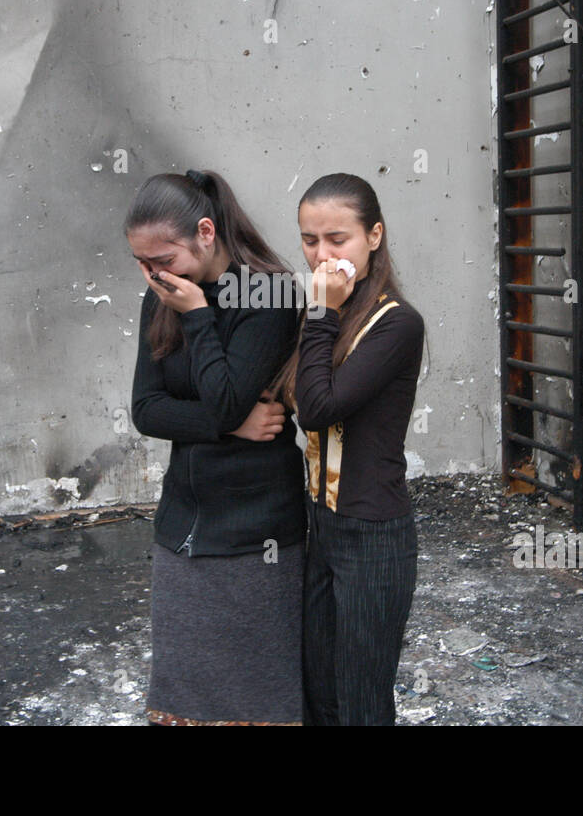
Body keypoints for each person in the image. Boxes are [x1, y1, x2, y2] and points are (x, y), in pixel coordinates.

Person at [126, 169, 307, 726]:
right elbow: (146, 410)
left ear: (206, 232)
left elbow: (224, 397)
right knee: (184, 696)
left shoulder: (268, 295)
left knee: (260, 695)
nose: (153, 275)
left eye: (163, 260)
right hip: (184, 519)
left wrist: (199, 317)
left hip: (258, 529)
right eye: (141, 263)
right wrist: (231, 426)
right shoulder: (161, 298)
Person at [280, 172, 425, 726]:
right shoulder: (329, 316)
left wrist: (320, 313)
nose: (322, 255)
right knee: (319, 686)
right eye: (309, 240)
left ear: (374, 236)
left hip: (374, 532)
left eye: (337, 239)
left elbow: (318, 408)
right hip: (324, 525)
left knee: (364, 698)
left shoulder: (397, 326)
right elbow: (294, 392)